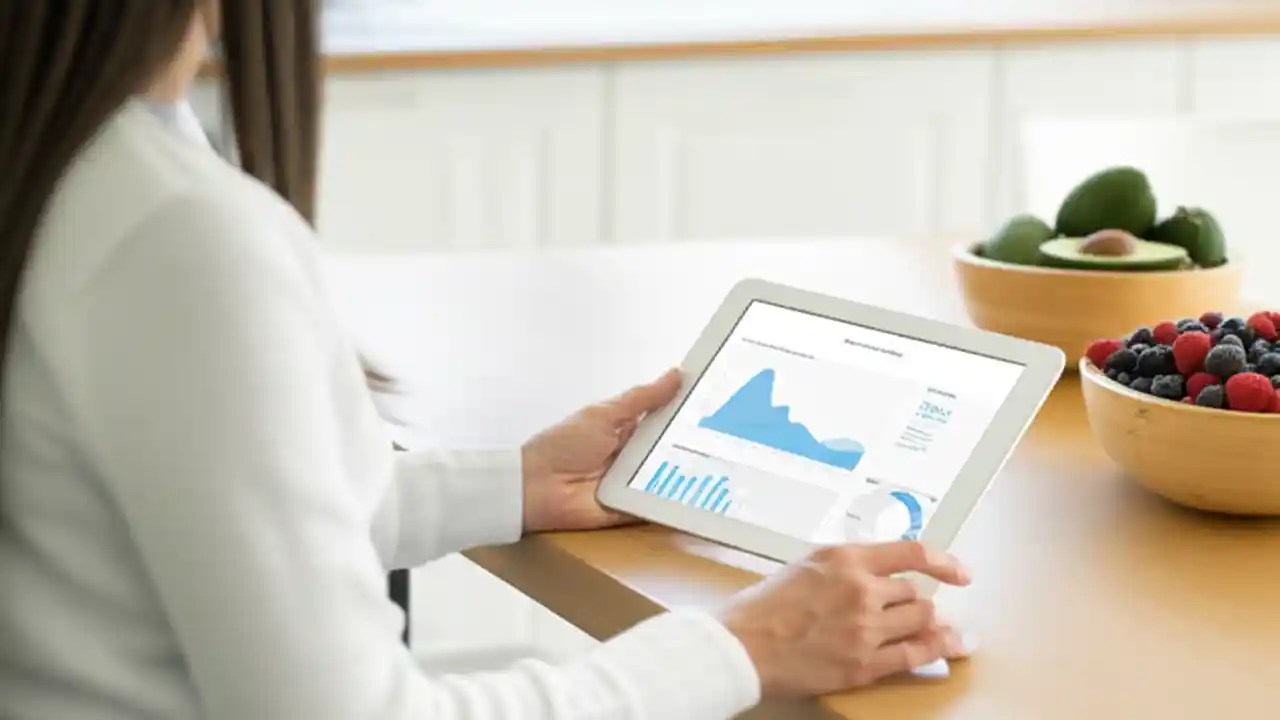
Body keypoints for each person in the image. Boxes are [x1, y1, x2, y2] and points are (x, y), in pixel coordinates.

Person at [0, 2, 975, 718]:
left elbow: (185, 518)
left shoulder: (60, 165)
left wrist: (504, 486)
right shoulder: (180, 238)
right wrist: (739, 646)